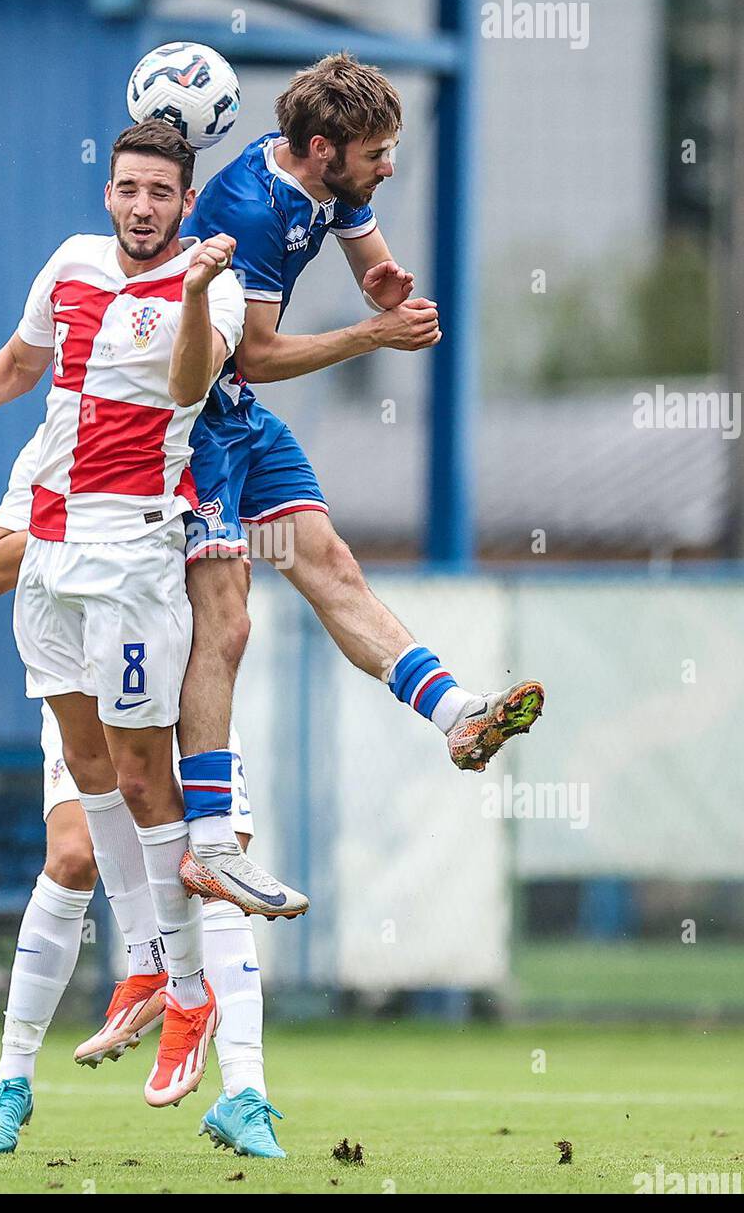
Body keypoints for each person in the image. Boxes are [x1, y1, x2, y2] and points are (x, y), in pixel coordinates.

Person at [0, 120, 302, 1114]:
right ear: (109, 192)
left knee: (149, 780)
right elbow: (17, 367)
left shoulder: (215, 285)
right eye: (127, 188)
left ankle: (189, 995)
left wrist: (190, 292)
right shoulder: (67, 263)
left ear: (186, 203)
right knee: (91, 774)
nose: (142, 206)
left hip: (137, 561)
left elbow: (190, 386)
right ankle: (139, 977)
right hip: (49, 560)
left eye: (160, 192)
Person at [173, 53, 544, 849]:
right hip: (189, 432)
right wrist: (376, 332)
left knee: (329, 564)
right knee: (226, 616)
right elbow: (258, 355)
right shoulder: (252, 208)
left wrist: (384, 288)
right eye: (377, 155)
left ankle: (457, 718)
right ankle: (207, 830)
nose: (390, 166)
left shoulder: (327, 178)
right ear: (319, 150)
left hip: (240, 420)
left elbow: (372, 260)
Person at [0, 423, 284, 1157]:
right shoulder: (47, 442)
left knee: (220, 862)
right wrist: (86, 532)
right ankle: (11, 1082)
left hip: (183, 688)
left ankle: (246, 1093)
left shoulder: (191, 437)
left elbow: (249, 551)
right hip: (88, 673)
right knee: (73, 856)